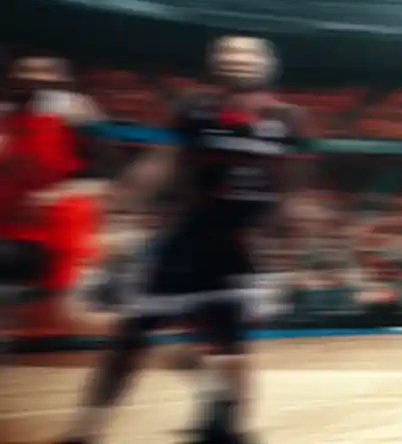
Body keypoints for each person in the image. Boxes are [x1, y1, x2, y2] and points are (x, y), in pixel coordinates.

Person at [58, 36, 313, 444]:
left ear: (268, 64)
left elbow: (293, 188)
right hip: (184, 241)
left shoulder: (288, 118)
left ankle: (231, 427)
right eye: (227, 53)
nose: (237, 58)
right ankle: (84, 430)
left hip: (240, 249)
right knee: (131, 339)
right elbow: (162, 163)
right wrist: (124, 203)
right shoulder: (194, 108)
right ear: (215, 64)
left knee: (233, 351)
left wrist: (291, 241)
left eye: (247, 53)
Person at [0, 54, 107, 327]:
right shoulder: (6, 116)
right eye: (27, 69)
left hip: (47, 234)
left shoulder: (77, 114)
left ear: (61, 78)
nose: (35, 76)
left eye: (45, 70)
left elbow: (102, 176)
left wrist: (55, 195)